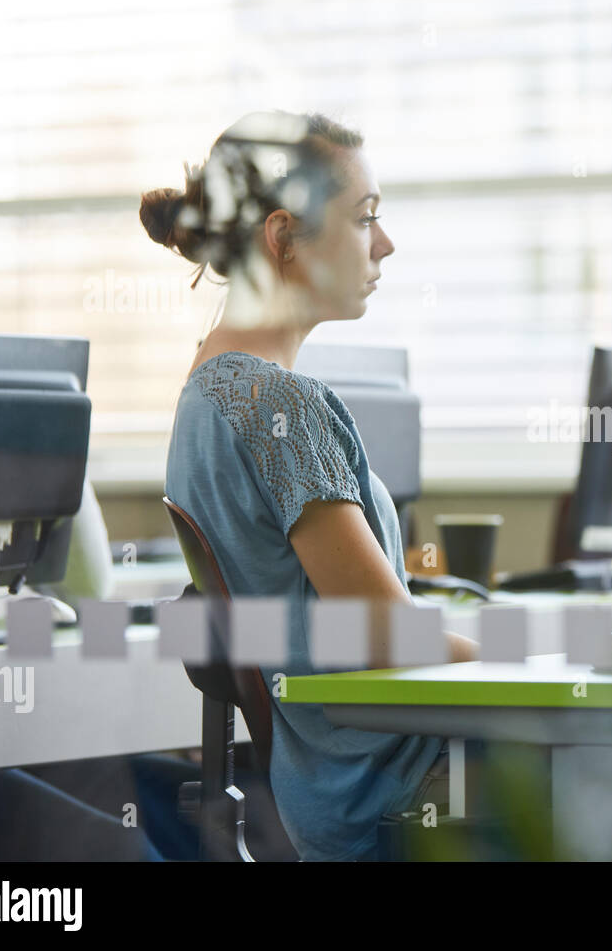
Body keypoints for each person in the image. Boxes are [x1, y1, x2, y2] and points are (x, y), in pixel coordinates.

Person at [143, 111, 476, 860]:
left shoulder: (208, 389)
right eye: (365, 219)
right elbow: (388, 636)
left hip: (329, 796)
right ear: (283, 236)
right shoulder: (274, 404)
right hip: (394, 787)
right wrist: (534, 667)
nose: (384, 243)